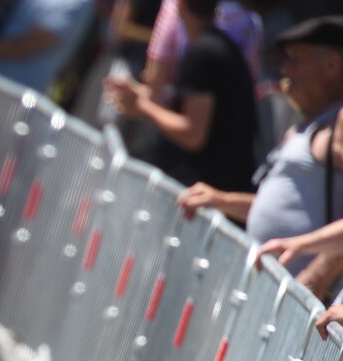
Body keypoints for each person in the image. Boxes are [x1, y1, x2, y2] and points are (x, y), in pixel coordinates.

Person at [183, 15, 343, 298]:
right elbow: (289, 206)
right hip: (269, 293)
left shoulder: (337, 126)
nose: (285, 68)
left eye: (296, 59)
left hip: (297, 300)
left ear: (331, 65)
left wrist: (318, 274)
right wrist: (220, 200)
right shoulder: (307, 126)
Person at [103, 0, 258, 197]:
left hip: (207, 191)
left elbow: (193, 134)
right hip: (217, 187)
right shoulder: (222, 48)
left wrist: (141, 104)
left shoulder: (202, 54)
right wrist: (138, 96)